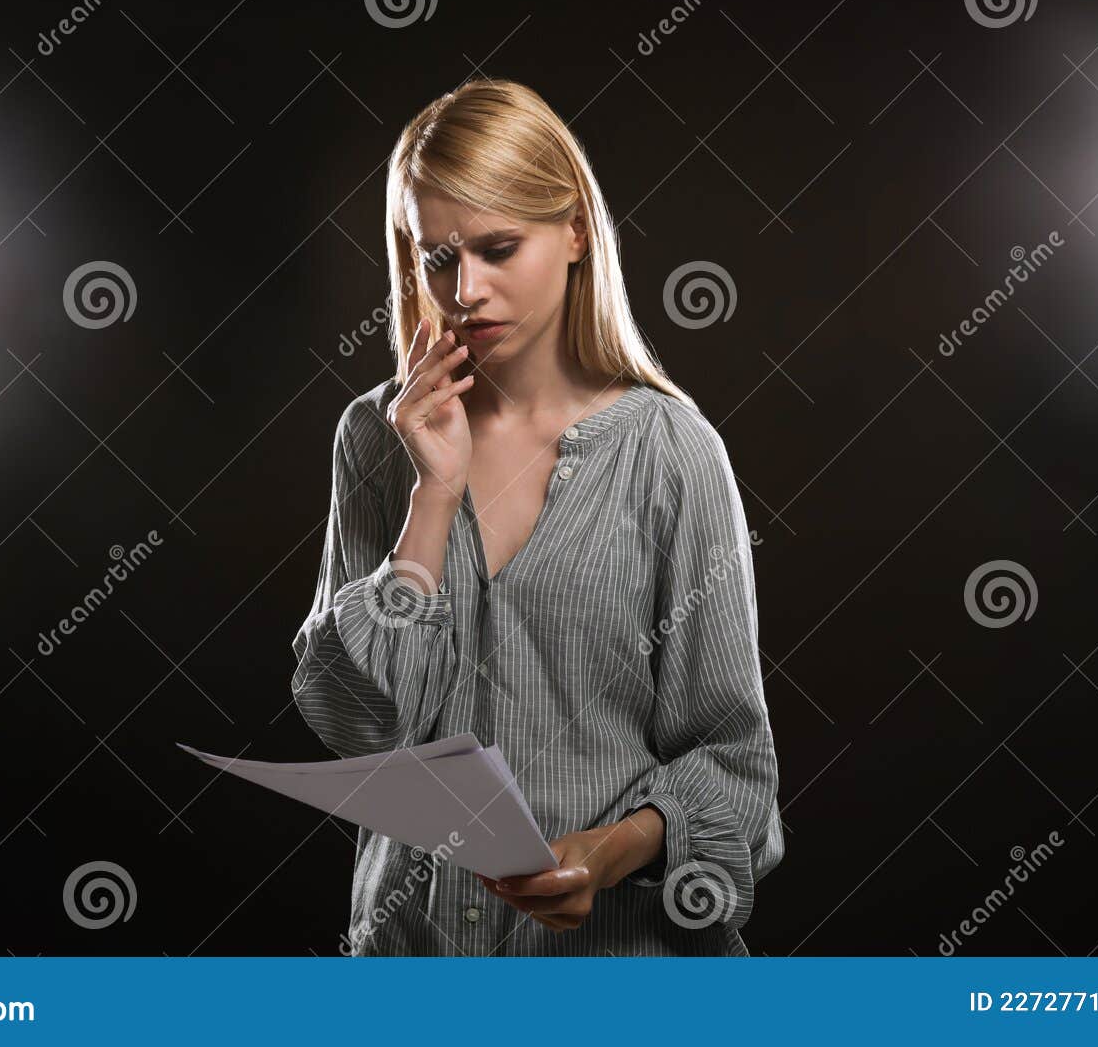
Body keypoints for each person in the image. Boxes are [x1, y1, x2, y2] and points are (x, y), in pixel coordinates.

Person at [291, 78, 782, 955]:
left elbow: (734, 765)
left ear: (575, 232)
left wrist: (607, 852)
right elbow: (354, 723)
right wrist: (432, 493)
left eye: (498, 247)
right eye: (436, 258)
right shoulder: (377, 436)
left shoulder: (672, 451)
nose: (465, 290)